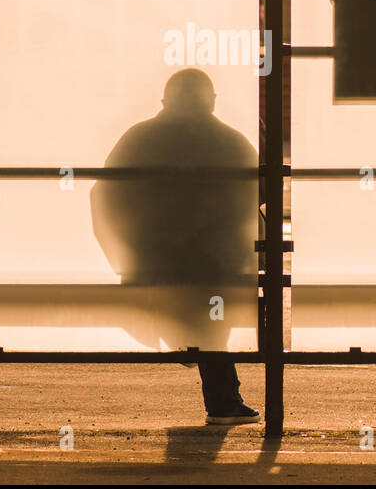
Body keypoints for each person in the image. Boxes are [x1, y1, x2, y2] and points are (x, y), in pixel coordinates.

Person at [91, 69, 260, 425]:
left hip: (152, 268)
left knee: (202, 318)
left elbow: (103, 196)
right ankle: (221, 397)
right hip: (216, 271)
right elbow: (256, 204)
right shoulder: (233, 142)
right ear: (212, 101)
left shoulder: (137, 139)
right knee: (213, 318)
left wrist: (126, 258)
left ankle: (187, 344)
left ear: (166, 101)